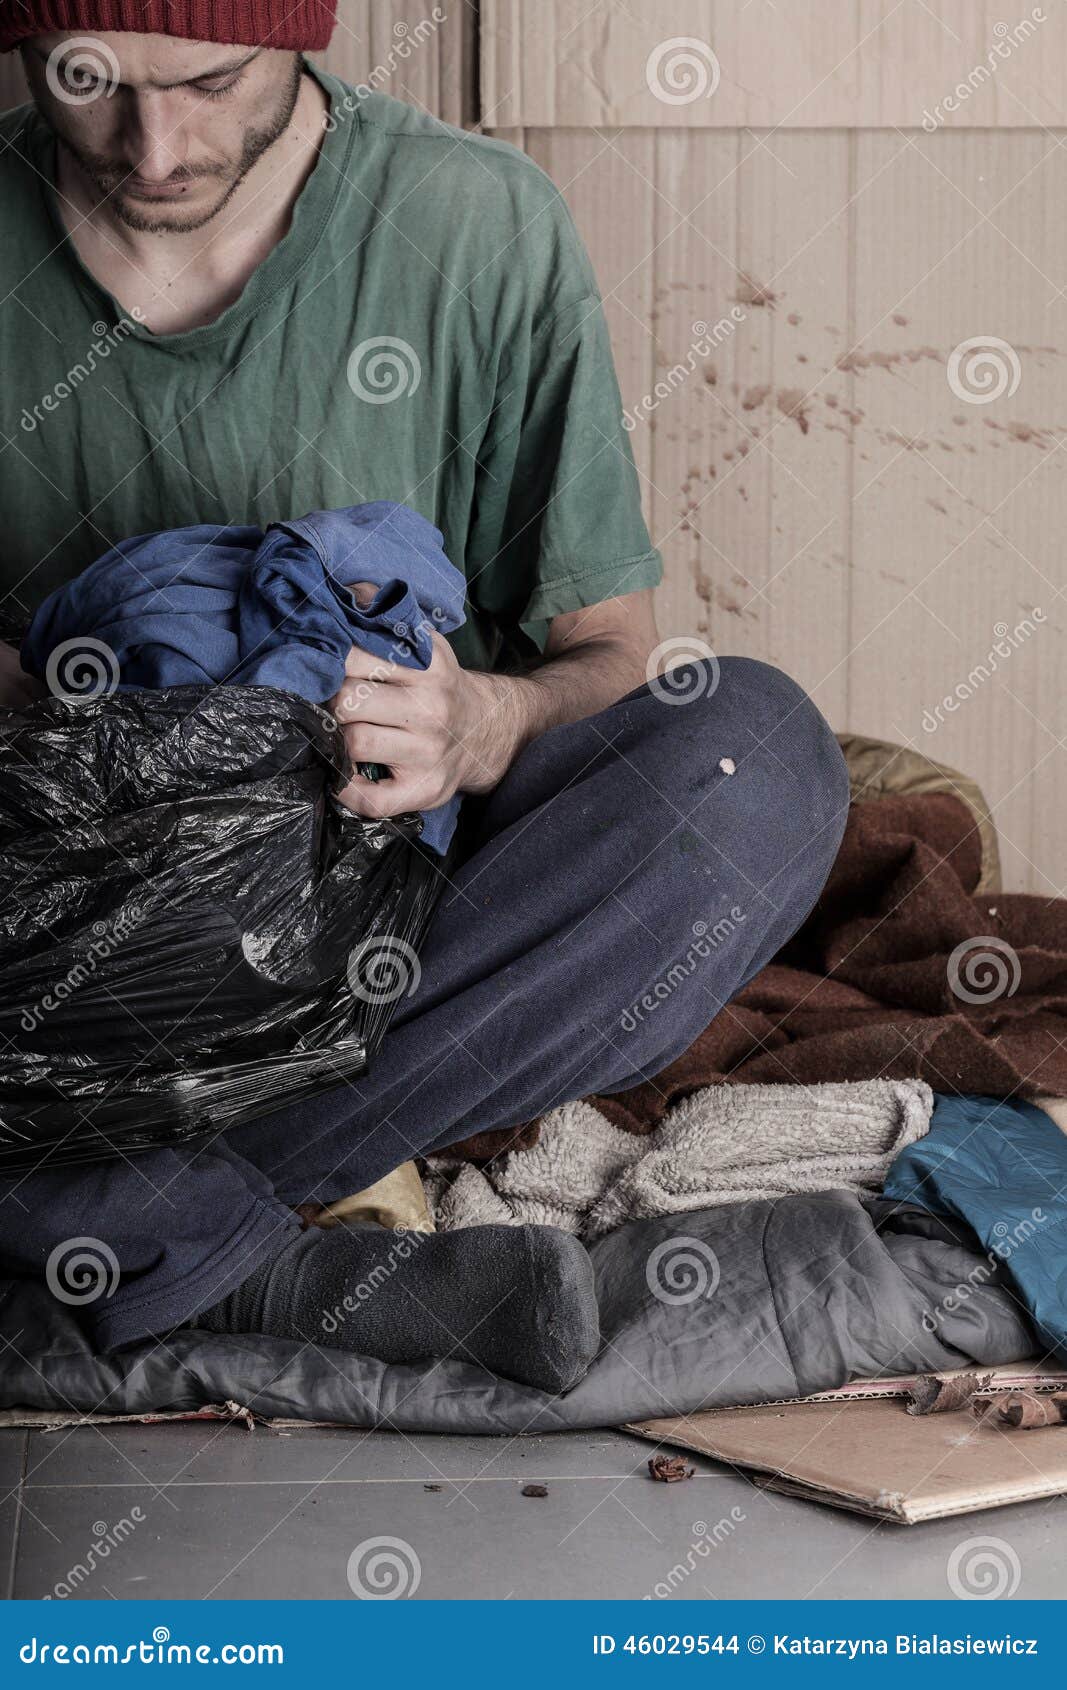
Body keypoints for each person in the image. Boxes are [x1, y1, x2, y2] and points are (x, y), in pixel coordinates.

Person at [0, 2, 850, 1393]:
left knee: (757, 756)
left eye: (210, 82)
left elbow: (611, 654)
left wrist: (485, 722)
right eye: (84, 84)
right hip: (63, 929)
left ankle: (143, 1221)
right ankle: (261, 1262)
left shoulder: (476, 227)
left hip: (391, 903)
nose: (154, 148)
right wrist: (78, 716)